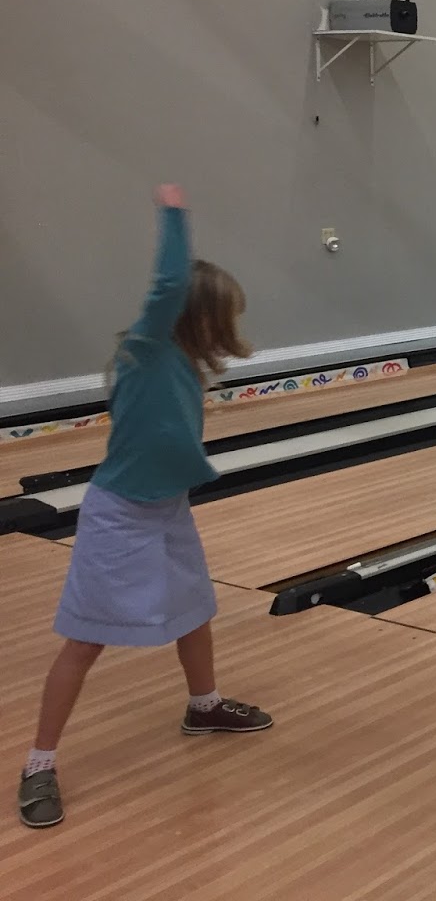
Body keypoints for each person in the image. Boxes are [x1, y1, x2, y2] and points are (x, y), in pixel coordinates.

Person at [18, 184, 272, 830]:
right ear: (193, 313)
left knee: (195, 608)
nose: (229, 328)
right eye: (222, 315)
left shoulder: (182, 363)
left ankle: (203, 705)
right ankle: (39, 765)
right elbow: (164, 285)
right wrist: (175, 214)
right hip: (121, 515)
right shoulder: (149, 349)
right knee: (85, 641)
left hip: (167, 511)